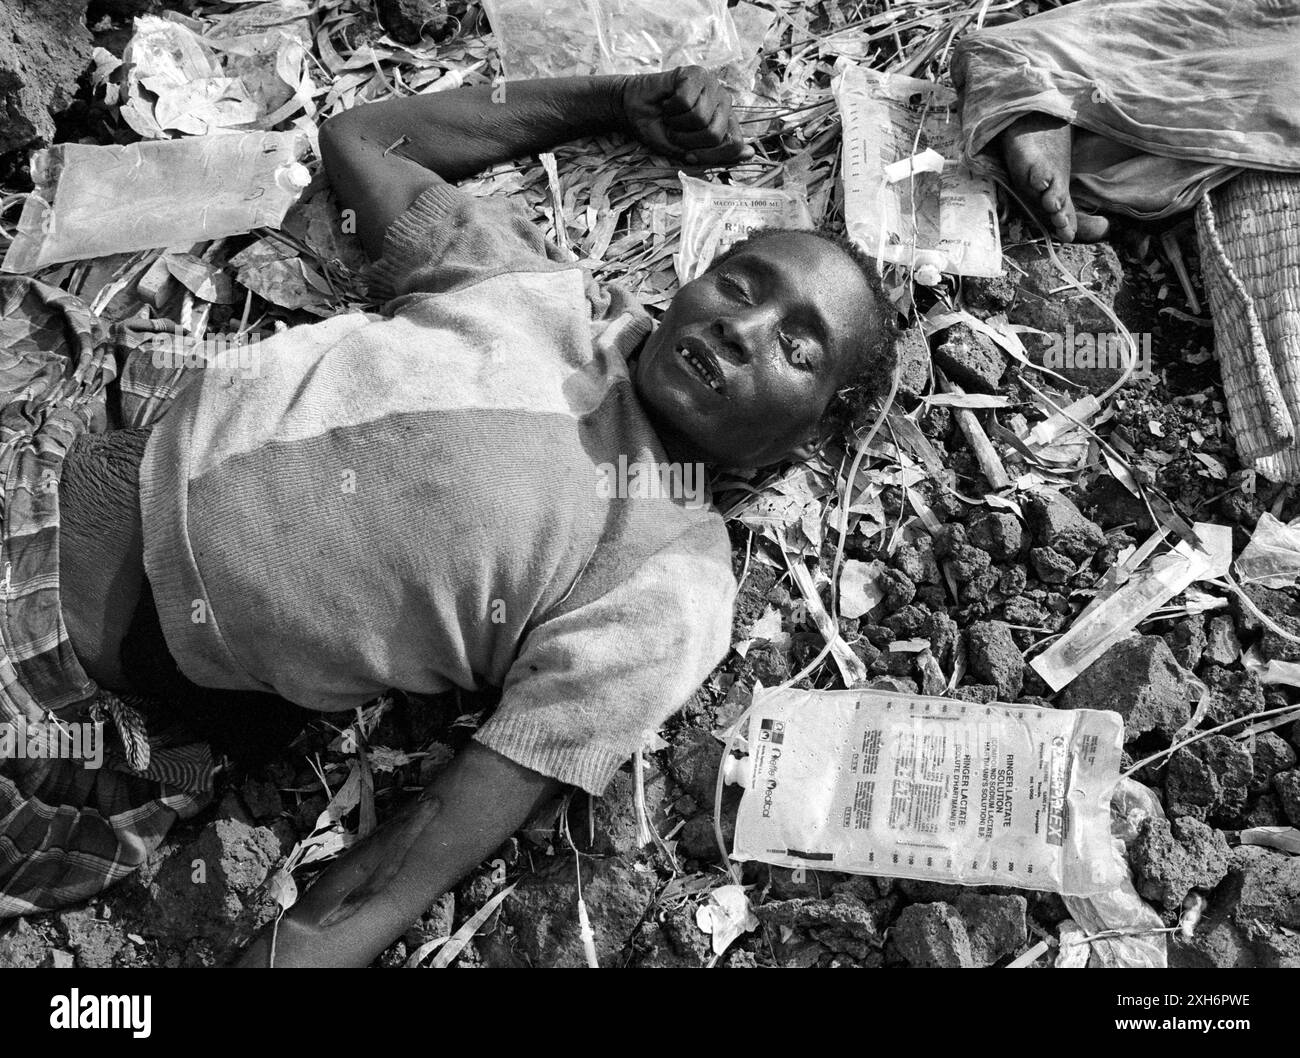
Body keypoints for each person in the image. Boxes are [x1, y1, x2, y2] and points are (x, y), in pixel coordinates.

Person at [0, 66, 892, 966]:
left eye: (796, 344)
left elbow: (415, 856)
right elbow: (362, 142)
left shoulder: (668, 587)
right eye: (740, 285)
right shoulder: (534, 293)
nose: (744, 326)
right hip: (45, 460)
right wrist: (618, 99)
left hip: (54, 659)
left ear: (799, 445)